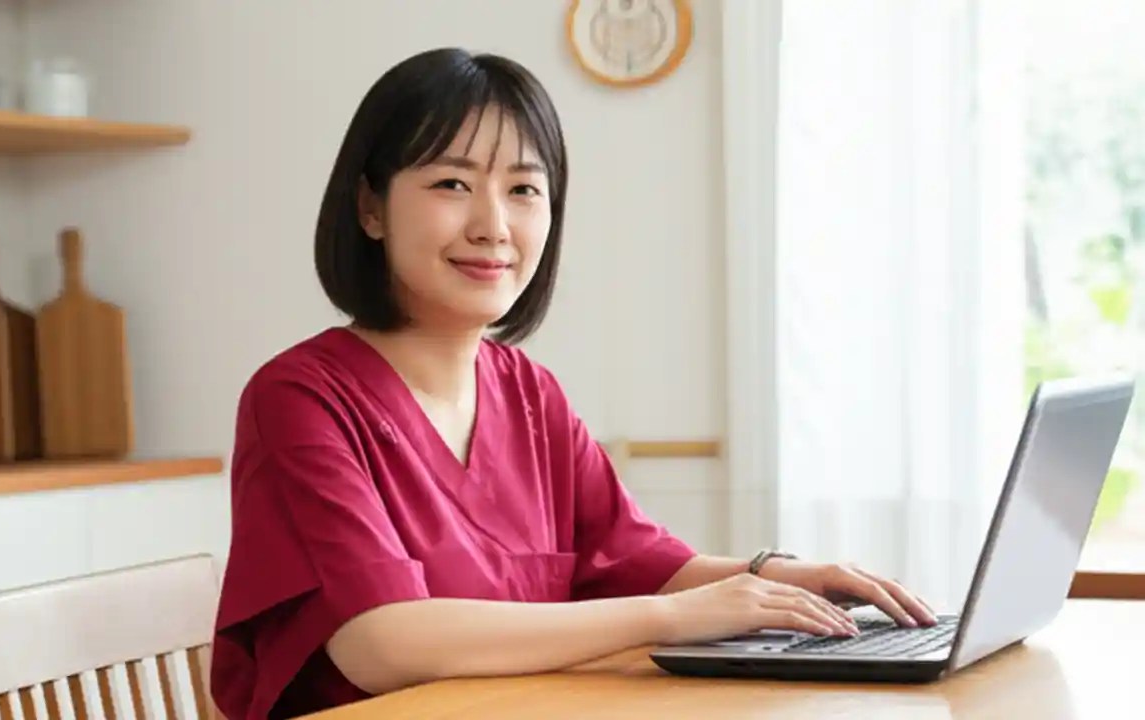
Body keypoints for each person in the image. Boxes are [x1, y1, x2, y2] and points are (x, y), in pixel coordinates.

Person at [209, 47, 938, 720]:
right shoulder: (300, 399)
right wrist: (680, 618)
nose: (494, 225)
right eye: (452, 184)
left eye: (524, 188)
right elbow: (383, 644)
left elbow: (638, 564)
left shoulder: (529, 392)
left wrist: (780, 577)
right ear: (371, 207)